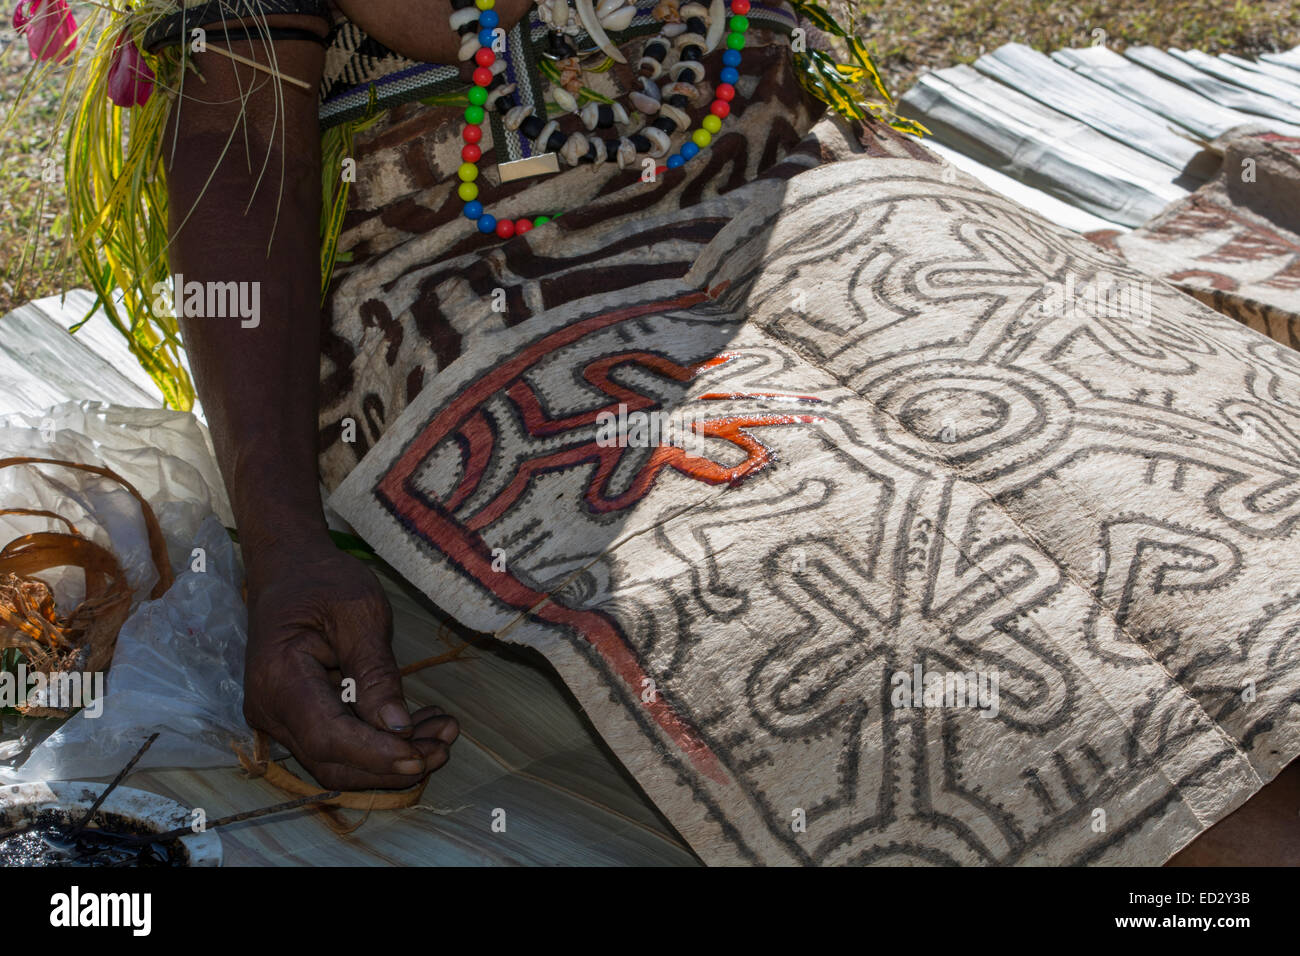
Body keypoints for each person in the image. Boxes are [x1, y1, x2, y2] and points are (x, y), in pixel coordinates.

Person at [20, 0, 1300, 864]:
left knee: (1186, 483)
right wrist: (287, 538)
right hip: (490, 285)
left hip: (817, 188)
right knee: (953, 640)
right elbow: (232, 135)